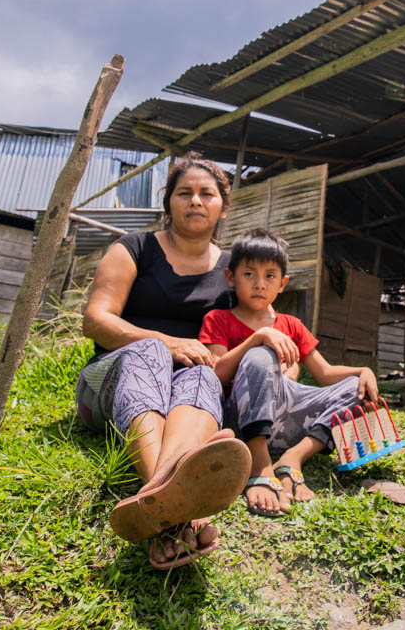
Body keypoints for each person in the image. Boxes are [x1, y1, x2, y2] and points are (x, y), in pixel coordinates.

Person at [76, 153, 251, 569]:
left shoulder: (231, 270)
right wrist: (167, 341)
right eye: (184, 192)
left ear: (222, 208)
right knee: (151, 350)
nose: (195, 201)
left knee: (202, 370)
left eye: (206, 194)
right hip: (110, 384)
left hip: (183, 398)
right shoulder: (133, 247)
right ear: (168, 201)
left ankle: (162, 505)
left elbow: (247, 327)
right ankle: (182, 504)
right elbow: (94, 320)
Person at [199, 228, 379, 517]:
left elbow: (325, 372)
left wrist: (363, 370)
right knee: (260, 355)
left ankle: (294, 457)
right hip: (241, 420)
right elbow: (216, 373)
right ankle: (259, 464)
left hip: (290, 422)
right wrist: (259, 338)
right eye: (249, 274)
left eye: (269, 276)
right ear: (231, 278)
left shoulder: (292, 325)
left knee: (355, 388)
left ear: (282, 284)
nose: (259, 284)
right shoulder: (218, 319)